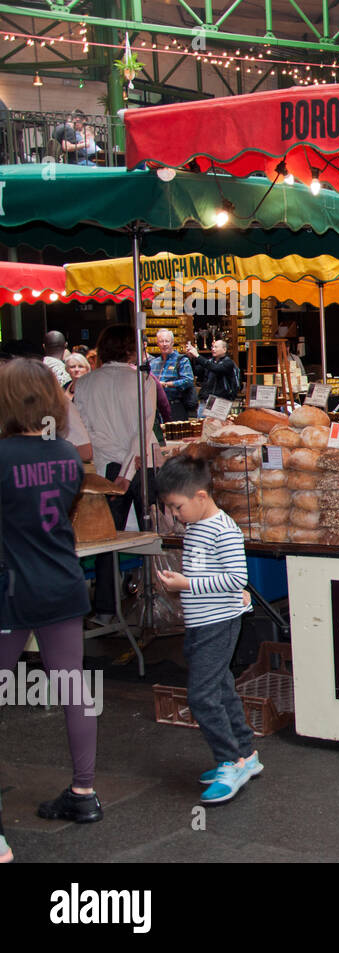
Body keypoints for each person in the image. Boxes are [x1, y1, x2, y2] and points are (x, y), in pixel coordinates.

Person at [0, 359, 101, 829]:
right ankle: (85, 791)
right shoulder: (65, 453)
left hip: (11, 589)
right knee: (74, 688)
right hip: (62, 581)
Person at [154, 455, 261, 805]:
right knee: (221, 686)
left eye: (177, 507)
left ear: (200, 496)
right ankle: (245, 754)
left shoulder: (223, 529)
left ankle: (230, 761)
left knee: (201, 695)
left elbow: (236, 579)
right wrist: (182, 584)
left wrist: (186, 584)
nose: (175, 515)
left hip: (219, 623)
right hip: (202, 623)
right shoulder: (196, 526)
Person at [75, 325, 158, 620]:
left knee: (106, 540)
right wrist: (126, 468)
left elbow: (85, 434)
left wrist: (114, 468)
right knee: (155, 531)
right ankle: (158, 599)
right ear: (129, 348)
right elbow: (142, 428)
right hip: (138, 463)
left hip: (105, 466)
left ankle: (106, 609)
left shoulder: (85, 383)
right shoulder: (142, 380)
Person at [149, 329, 196, 419]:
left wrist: (167, 384)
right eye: (161, 341)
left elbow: (188, 381)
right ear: (157, 343)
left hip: (176, 406)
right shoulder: (153, 363)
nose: (164, 344)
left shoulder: (182, 360)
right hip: (157, 408)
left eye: (167, 341)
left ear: (172, 343)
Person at [185, 338, 240, 408]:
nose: (213, 349)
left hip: (221, 401)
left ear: (224, 350)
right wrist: (191, 358)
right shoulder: (210, 361)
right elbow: (195, 371)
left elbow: (216, 368)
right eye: (212, 347)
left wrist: (198, 356)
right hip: (205, 400)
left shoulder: (228, 363)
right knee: (202, 419)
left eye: (216, 347)